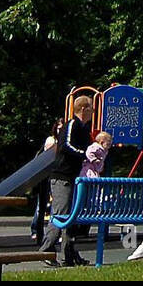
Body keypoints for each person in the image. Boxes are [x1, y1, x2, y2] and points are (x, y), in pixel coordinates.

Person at [40, 98, 94, 267]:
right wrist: (84, 154)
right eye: (91, 108)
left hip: (75, 177)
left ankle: (68, 255)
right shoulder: (72, 125)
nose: (93, 111)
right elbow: (66, 145)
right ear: (83, 109)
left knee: (72, 216)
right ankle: (46, 251)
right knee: (60, 215)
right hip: (62, 177)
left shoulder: (85, 129)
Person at [30, 118, 64, 244]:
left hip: (56, 175)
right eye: (59, 127)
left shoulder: (64, 141)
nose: (60, 130)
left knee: (56, 205)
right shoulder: (52, 140)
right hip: (45, 176)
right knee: (42, 205)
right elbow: (50, 154)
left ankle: (54, 233)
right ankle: (36, 229)